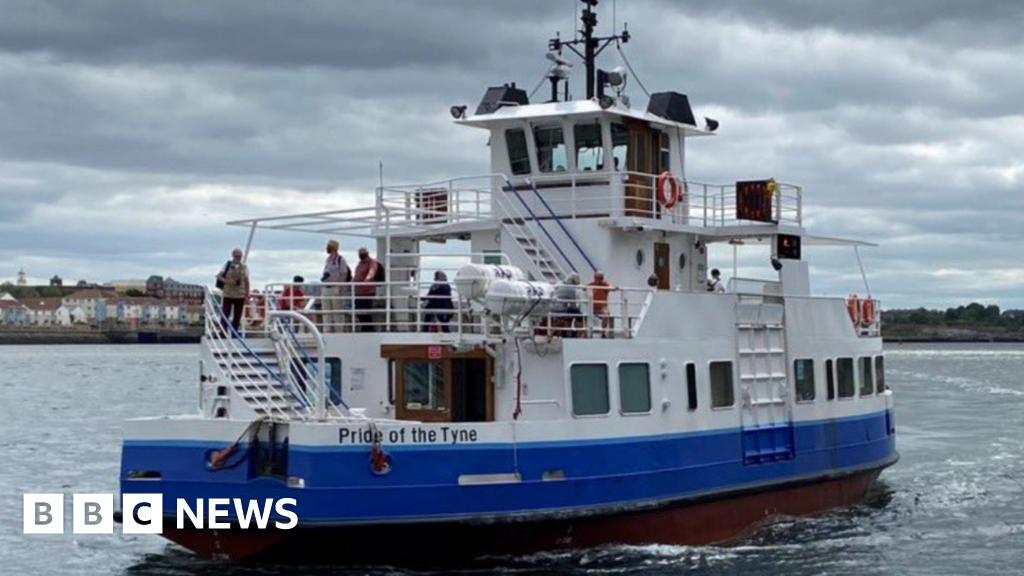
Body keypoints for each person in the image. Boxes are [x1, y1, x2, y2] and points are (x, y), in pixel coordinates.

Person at [216, 248, 249, 334]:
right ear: (233, 256)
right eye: (237, 256)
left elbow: (246, 281)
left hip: (240, 295)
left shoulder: (244, 267)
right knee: (225, 313)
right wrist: (228, 281)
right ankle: (223, 332)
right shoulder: (227, 265)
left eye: (240, 256)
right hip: (228, 294)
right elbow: (219, 276)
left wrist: (247, 294)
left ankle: (235, 331)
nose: (238, 258)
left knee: (237, 315)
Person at [321, 240, 350, 332]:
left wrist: (339, 286)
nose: (327, 248)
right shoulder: (328, 259)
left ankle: (339, 330)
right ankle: (327, 330)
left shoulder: (340, 259)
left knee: (337, 310)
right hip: (326, 287)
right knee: (326, 311)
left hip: (335, 288)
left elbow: (343, 274)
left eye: (329, 246)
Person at [352, 247, 381, 332]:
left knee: (365, 311)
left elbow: (372, 271)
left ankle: (368, 329)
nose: (360, 255)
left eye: (362, 254)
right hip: (358, 292)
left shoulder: (372, 262)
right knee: (359, 311)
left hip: (367, 292)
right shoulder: (360, 263)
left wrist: (367, 279)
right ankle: (364, 328)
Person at [587, 271, 618, 337]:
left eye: (600, 278)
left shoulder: (604, 284)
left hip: (601, 307)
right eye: (597, 278)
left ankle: (603, 333)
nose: (598, 280)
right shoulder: (591, 284)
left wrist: (614, 288)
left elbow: (611, 287)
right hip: (590, 307)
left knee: (606, 314)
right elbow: (583, 289)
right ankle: (586, 332)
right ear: (594, 278)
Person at [554, 273, 583, 338]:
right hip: (560, 309)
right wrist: (579, 308)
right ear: (573, 280)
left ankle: (565, 332)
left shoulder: (559, 284)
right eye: (577, 279)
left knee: (570, 313)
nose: (579, 280)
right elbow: (573, 306)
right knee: (578, 314)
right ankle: (575, 333)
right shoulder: (571, 289)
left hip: (552, 307)